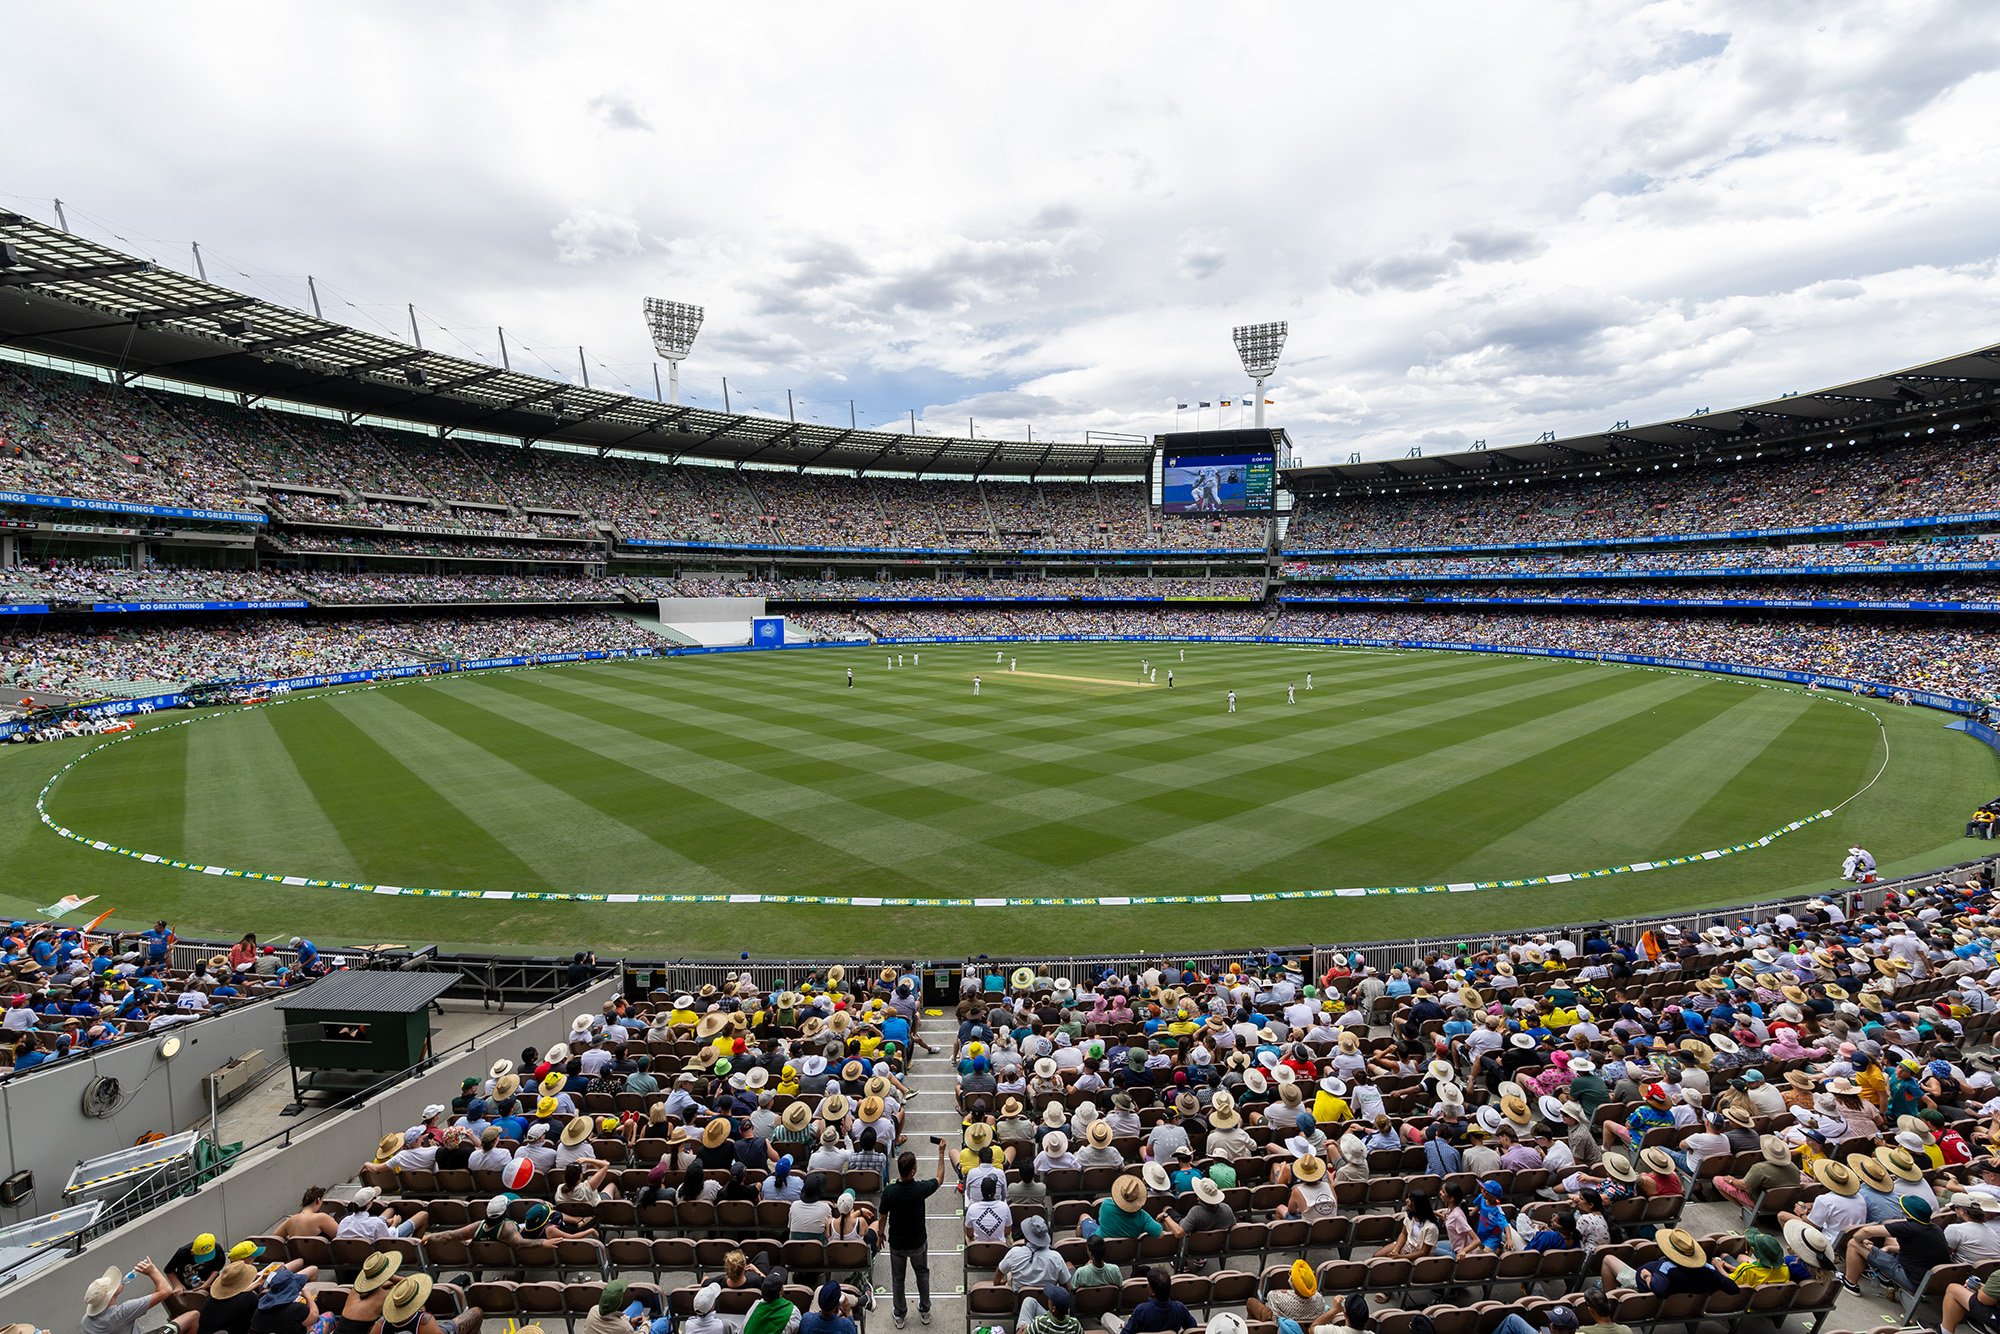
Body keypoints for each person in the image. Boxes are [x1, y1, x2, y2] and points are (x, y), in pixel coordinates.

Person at [882, 1140, 949, 1328]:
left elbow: (882, 1216)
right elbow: (940, 1178)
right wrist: (941, 1153)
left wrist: (880, 1235)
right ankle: (925, 1309)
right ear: (912, 1171)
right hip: (918, 1243)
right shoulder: (920, 1189)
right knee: (922, 1275)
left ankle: (900, 1313)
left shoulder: (890, 1191)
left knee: (898, 1279)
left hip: (897, 1244)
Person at [1841, 1195, 1951, 1296]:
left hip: (1911, 1280)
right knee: (1888, 1245)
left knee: (1853, 1243)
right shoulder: (1936, 1229)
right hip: (1930, 1282)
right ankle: (1885, 1280)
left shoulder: (1909, 1228)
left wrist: (1860, 1239)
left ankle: (1850, 1283)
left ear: (1908, 1213)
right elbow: (1917, 1252)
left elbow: (1866, 1231)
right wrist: (1889, 1248)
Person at [83, 1258, 199, 1334]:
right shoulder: (122, 1312)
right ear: (110, 1295)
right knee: (193, 1316)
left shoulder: (85, 1321)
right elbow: (165, 1291)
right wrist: (152, 1270)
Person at [1106, 1266, 1195, 1334]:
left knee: (1106, 1317)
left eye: (1149, 1284)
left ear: (1153, 1292)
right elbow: (1193, 1328)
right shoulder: (1180, 1309)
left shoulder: (1141, 1311)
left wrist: (1126, 1327)